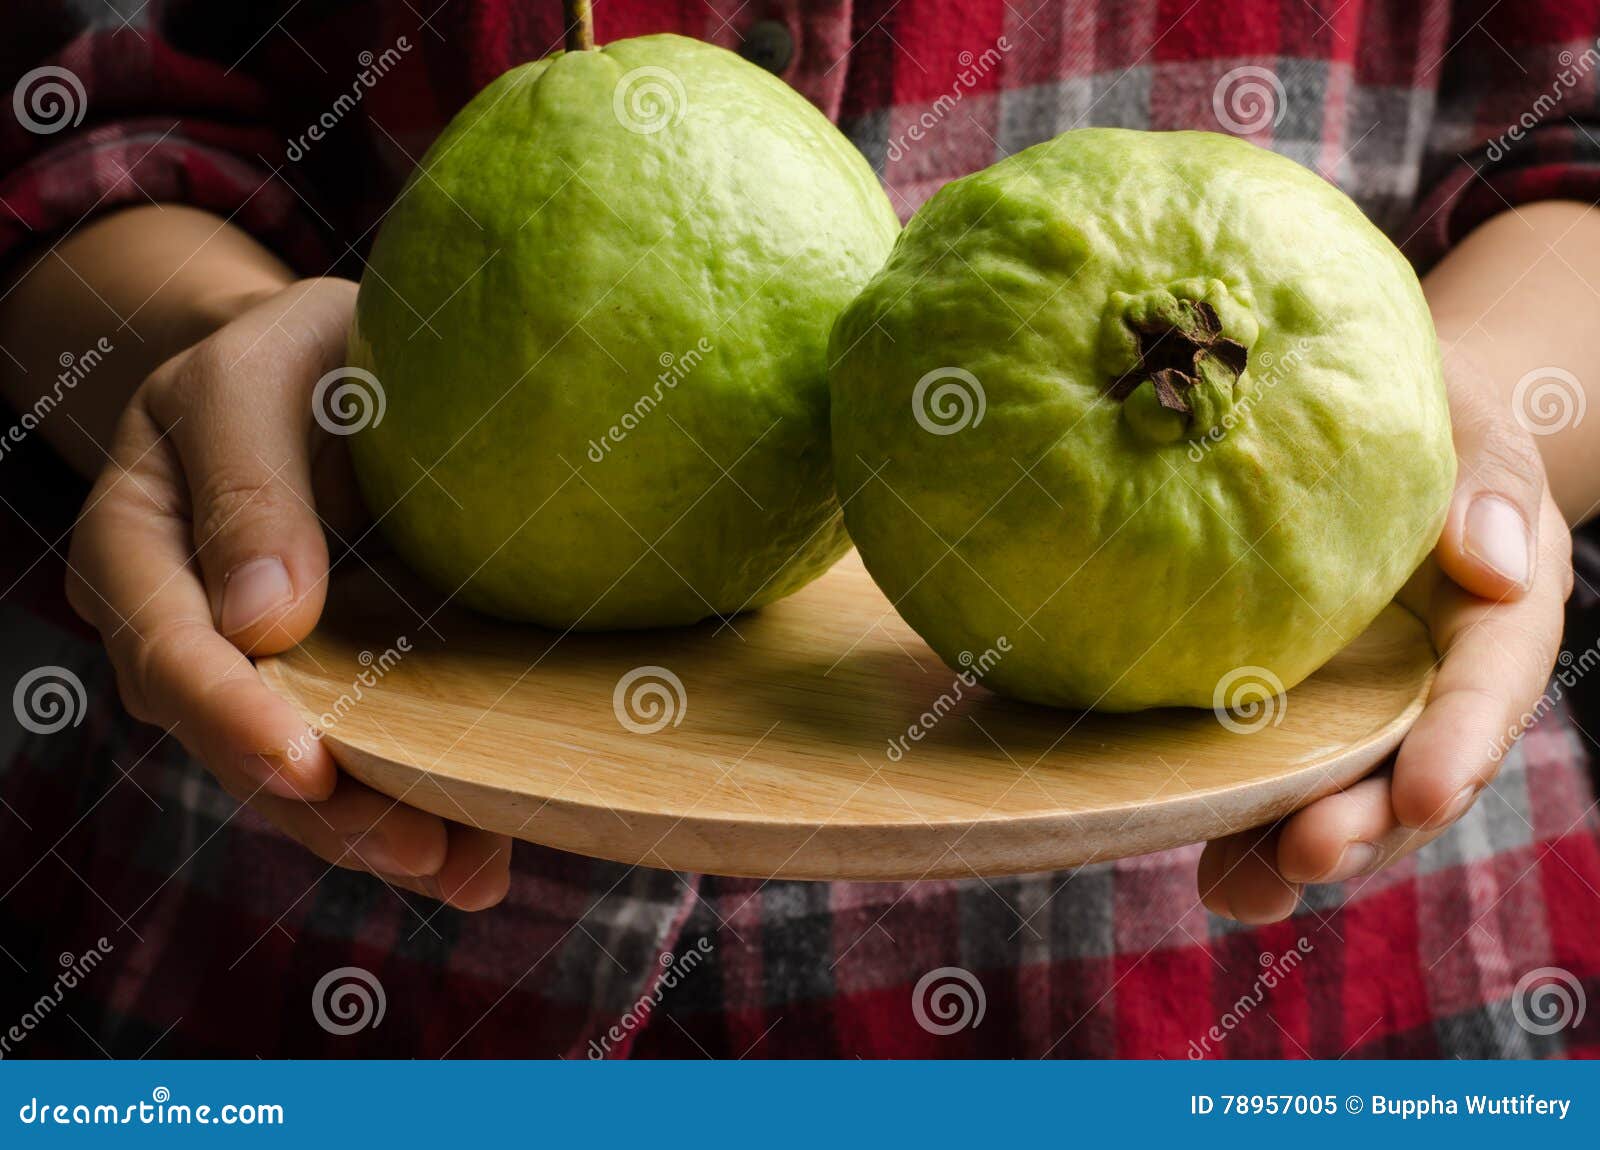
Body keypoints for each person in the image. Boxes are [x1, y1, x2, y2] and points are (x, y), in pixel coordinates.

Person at [0, 0, 1596, 1058]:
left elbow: (1574, 148)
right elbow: (74, 119)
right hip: (315, 958)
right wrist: (211, 361)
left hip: (1285, 997)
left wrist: (1482, 417)